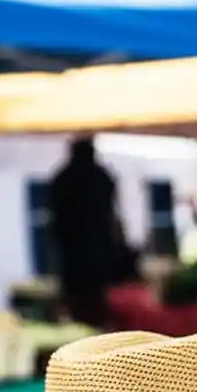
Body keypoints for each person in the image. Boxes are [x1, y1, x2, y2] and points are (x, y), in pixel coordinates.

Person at [47, 136, 132, 327]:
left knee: (80, 313)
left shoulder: (63, 178)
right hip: (98, 261)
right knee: (98, 315)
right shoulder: (102, 177)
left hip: (73, 262)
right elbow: (114, 219)